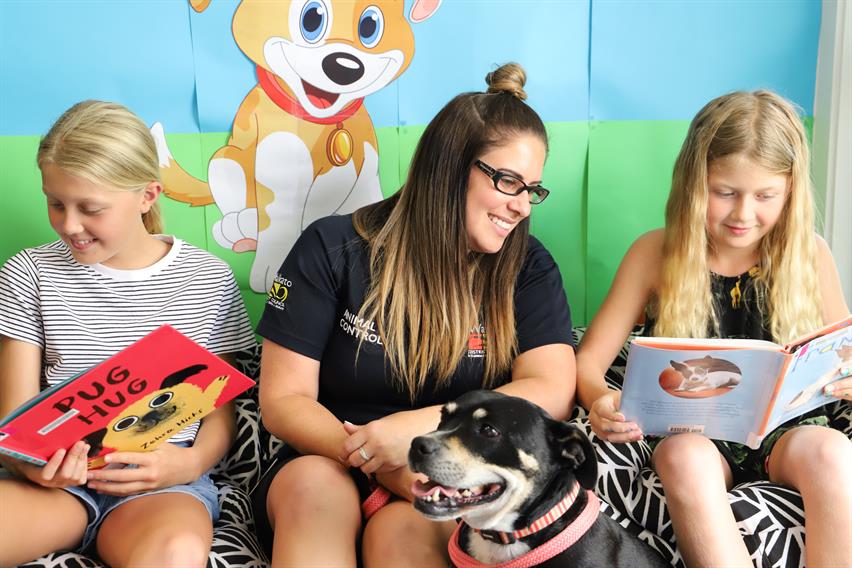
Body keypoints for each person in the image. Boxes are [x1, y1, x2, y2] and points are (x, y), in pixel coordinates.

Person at [252, 62, 575, 567]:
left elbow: (550, 389)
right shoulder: (332, 246)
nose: (522, 208)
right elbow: (283, 400)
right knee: (316, 497)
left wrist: (415, 436)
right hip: (324, 455)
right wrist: (375, 457)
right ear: (448, 167)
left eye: (531, 189)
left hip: (440, 475)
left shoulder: (529, 267)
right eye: (509, 182)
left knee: (407, 537)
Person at [576, 90, 851, 567]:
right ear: (693, 184)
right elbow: (589, 361)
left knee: (832, 451)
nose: (743, 214)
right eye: (724, 193)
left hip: (785, 433)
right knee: (685, 459)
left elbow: (841, 350)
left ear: (790, 191)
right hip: (691, 431)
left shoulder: (811, 255)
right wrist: (600, 399)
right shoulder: (654, 254)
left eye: (765, 196)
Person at [0, 100, 256, 567]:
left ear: (148, 195)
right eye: (55, 203)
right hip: (56, 484)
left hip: (161, 482)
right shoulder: (29, 273)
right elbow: (13, 422)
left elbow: (221, 410)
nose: (69, 224)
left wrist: (191, 464)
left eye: (90, 208)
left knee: (176, 554)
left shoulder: (207, 280)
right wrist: (34, 469)